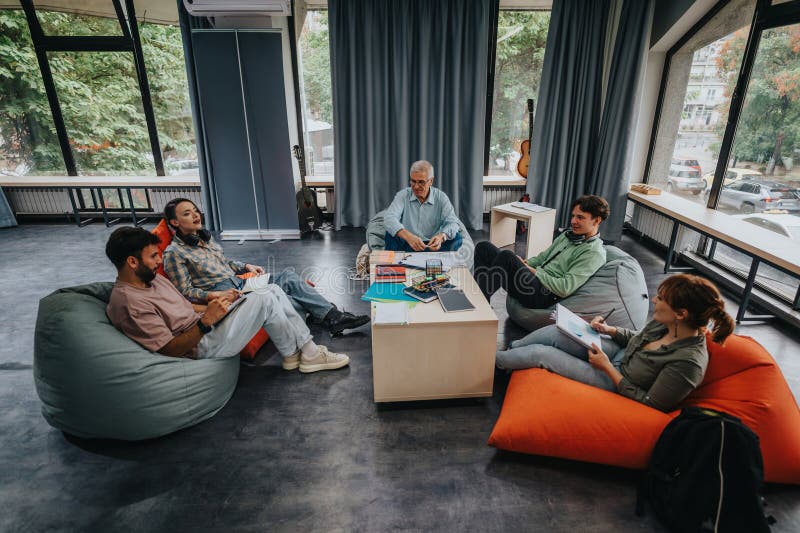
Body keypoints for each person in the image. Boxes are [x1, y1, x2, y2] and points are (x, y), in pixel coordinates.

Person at [105, 226, 349, 373]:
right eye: (153, 257)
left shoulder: (152, 279)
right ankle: (310, 353)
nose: (159, 262)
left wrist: (220, 306)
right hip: (199, 346)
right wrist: (205, 321)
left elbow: (186, 306)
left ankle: (293, 355)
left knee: (273, 288)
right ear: (132, 262)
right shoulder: (129, 303)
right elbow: (170, 350)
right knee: (264, 296)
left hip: (206, 326)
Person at [495, 274, 735, 412]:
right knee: (558, 332)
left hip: (617, 380)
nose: (654, 300)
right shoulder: (666, 323)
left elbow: (651, 403)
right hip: (620, 354)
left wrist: (607, 368)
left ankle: (492, 363)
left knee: (542, 355)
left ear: (681, 314)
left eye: (661, 299)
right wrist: (609, 330)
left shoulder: (689, 363)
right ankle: (512, 353)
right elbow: (637, 338)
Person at [161, 198, 369, 336]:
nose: (195, 215)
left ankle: (332, 317)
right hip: (225, 291)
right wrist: (213, 296)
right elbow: (185, 292)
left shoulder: (203, 238)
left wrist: (246, 266)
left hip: (239, 282)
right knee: (286, 297)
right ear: (174, 222)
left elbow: (225, 263)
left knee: (287, 277)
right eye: (187, 213)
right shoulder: (174, 253)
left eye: (195, 210)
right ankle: (332, 317)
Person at [474, 195, 610, 308]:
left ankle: (477, 306)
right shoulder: (568, 235)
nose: (573, 221)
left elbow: (565, 288)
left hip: (544, 295)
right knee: (484, 247)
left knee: (506, 256)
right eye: (573, 216)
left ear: (597, 220)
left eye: (580, 217)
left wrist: (532, 271)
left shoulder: (594, 253)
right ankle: (482, 302)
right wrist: (525, 263)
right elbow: (543, 257)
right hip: (533, 280)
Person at [383, 160, 463, 252]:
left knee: (457, 238)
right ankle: (420, 256)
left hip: (432, 245)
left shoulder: (441, 197)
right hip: (407, 243)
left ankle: (420, 255)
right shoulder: (402, 195)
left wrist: (441, 237)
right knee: (390, 234)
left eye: (421, 182)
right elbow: (389, 218)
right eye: (413, 181)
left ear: (431, 181)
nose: (416, 186)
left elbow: (453, 222)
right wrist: (409, 237)